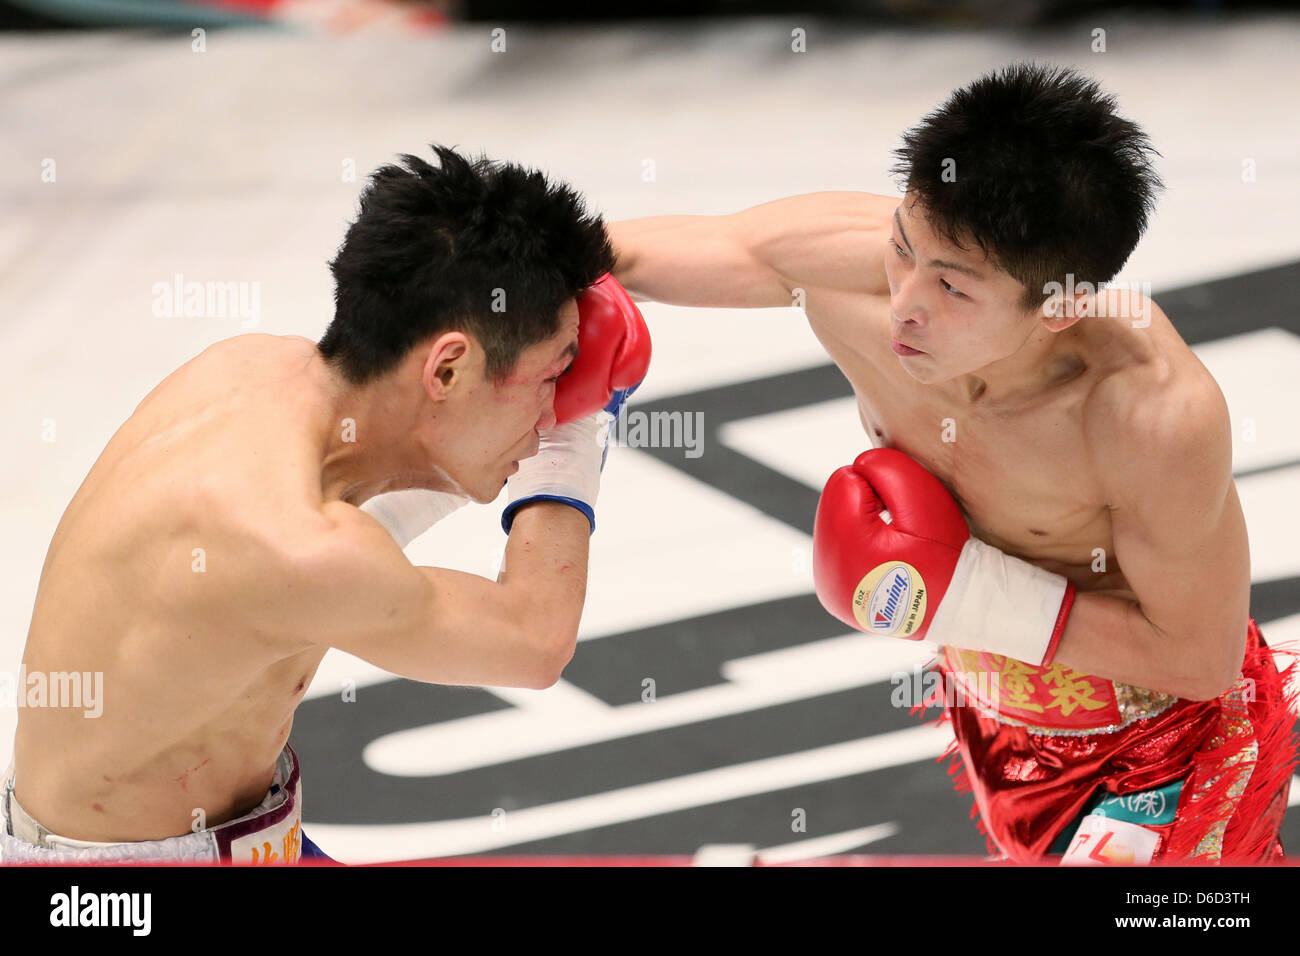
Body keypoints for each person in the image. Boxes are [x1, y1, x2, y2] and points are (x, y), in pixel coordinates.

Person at [606, 63, 1297, 864]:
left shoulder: (1146, 414)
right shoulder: (853, 275)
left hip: (1169, 747)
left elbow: (1200, 659)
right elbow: (627, 254)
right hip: (991, 717)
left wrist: (962, 593)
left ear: (1064, 305)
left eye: (954, 290)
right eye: (903, 247)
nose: (902, 303)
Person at [3, 145, 648, 864]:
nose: (556, 403)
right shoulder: (294, 543)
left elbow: (387, 486)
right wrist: (575, 433)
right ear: (448, 367)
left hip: (211, 838)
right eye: (554, 376)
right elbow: (532, 642)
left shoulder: (252, 370)